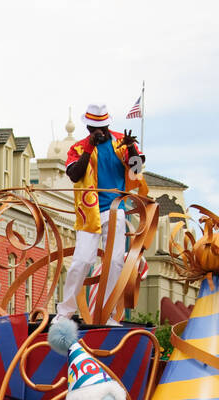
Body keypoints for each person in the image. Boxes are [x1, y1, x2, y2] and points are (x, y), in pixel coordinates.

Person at [54, 104, 145, 322]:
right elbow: (75, 175)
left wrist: (131, 149)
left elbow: (137, 170)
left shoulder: (121, 142)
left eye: (103, 127)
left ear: (107, 124)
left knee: (114, 262)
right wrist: (88, 149)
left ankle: (109, 313)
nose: (100, 132)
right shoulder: (78, 148)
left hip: (115, 210)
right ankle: (65, 313)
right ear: (88, 128)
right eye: (95, 128)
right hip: (89, 213)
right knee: (81, 261)